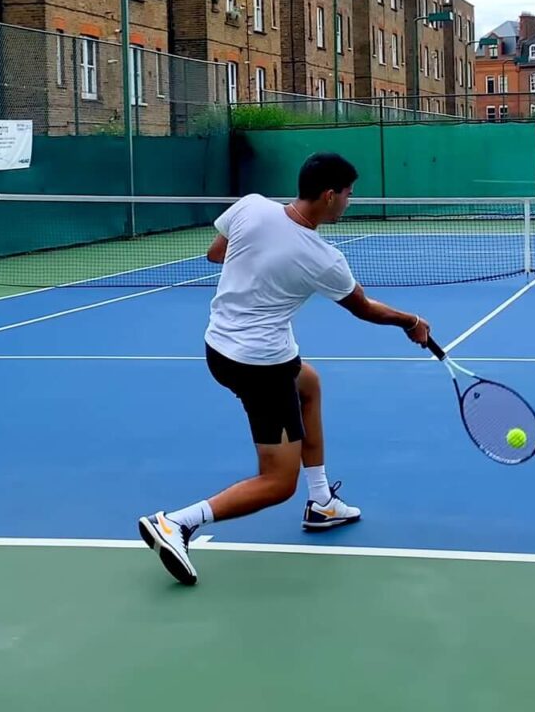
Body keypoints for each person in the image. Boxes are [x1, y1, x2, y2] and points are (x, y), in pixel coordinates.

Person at [137, 153, 433, 586]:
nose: (349, 202)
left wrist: (260, 263)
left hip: (219, 345)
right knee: (277, 483)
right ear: (329, 195)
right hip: (260, 366)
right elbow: (364, 308)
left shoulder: (251, 206)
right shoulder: (323, 258)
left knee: (309, 384)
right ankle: (178, 523)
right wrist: (411, 321)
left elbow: (216, 253)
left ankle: (322, 502)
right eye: (348, 194)